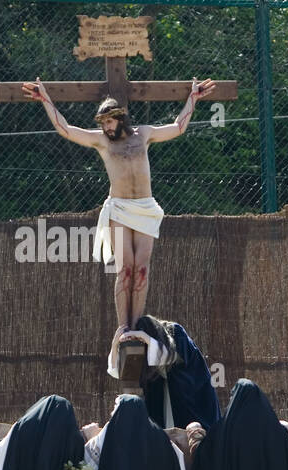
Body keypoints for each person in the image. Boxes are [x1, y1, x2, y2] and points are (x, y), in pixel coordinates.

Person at [21, 77, 216, 332]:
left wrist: (193, 98)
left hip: (145, 208)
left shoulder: (143, 134)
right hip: (119, 209)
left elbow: (178, 127)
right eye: (102, 124)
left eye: (109, 121)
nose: (106, 127)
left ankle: (136, 328)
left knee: (142, 269)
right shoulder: (102, 142)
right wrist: (45, 99)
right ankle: (123, 328)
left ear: (120, 118)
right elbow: (66, 129)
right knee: (125, 269)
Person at [129, 314, 221, 432]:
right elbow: (119, 371)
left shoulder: (176, 333)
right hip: (165, 401)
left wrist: (146, 338)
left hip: (194, 402)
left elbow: (171, 357)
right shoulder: (145, 353)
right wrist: (117, 342)